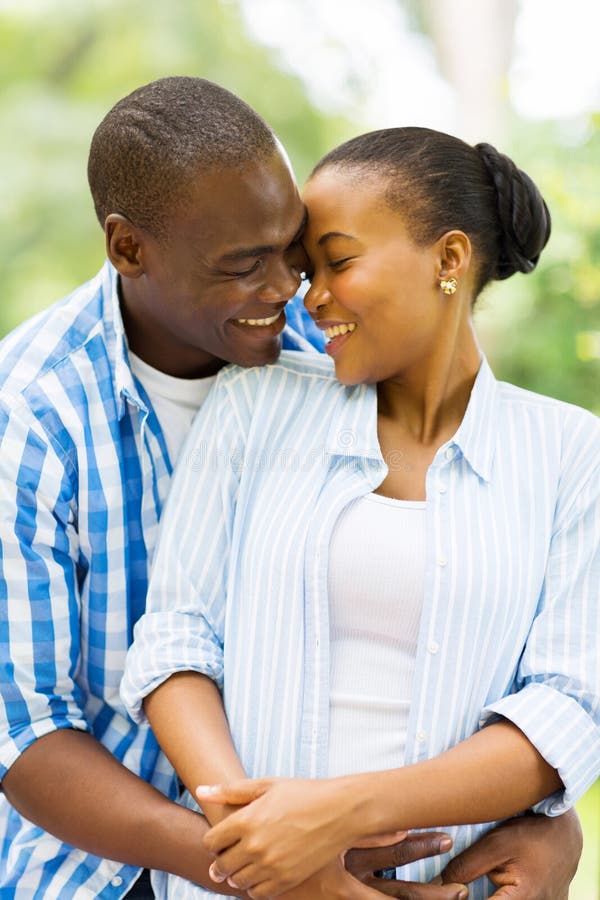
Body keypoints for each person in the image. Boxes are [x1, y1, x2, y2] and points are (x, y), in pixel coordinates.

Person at [0, 76, 569, 900]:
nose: (285, 290)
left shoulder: (338, 343)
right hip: (102, 874)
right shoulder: (31, 421)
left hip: (364, 851)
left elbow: (480, 613)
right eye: (243, 265)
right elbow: (24, 734)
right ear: (129, 250)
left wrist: (544, 819)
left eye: (294, 253)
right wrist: (268, 865)